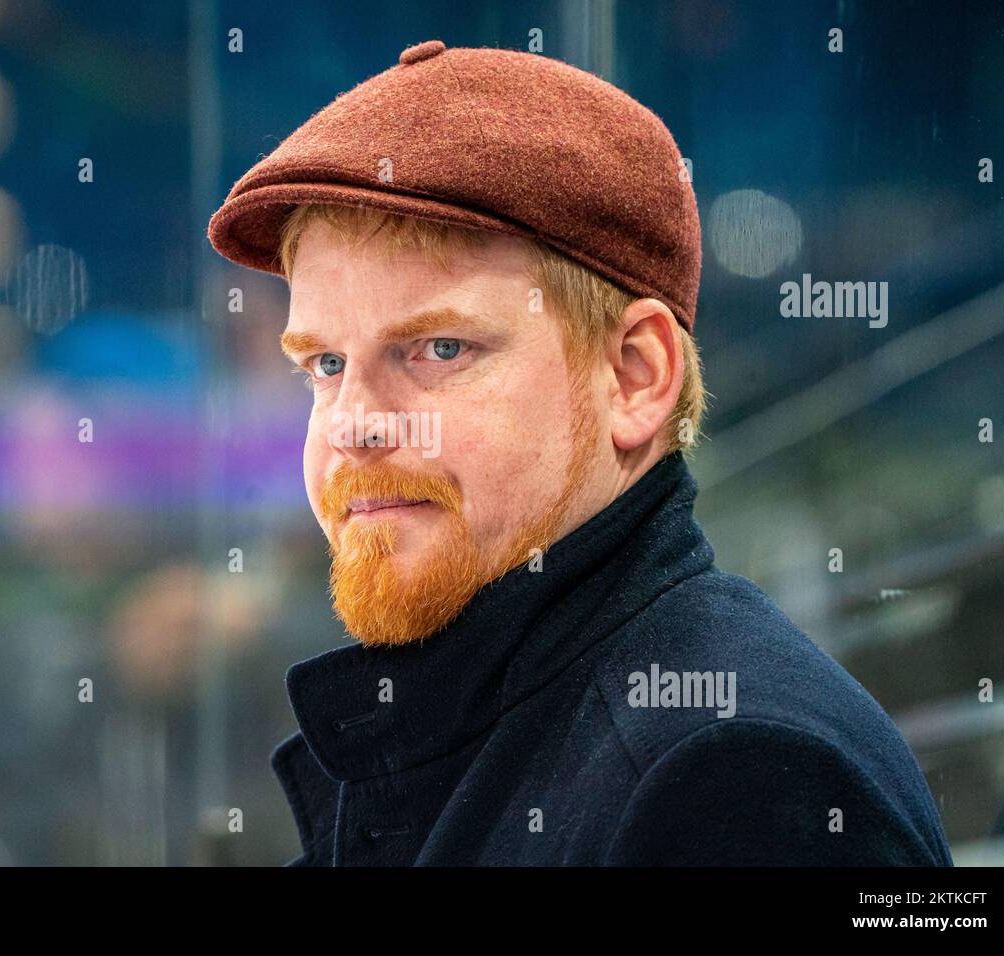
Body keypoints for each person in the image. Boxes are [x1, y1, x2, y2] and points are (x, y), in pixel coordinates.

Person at [207, 40, 953, 866]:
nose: (354, 426)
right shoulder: (507, 727)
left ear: (635, 376)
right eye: (325, 364)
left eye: (439, 349)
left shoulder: (737, 776)